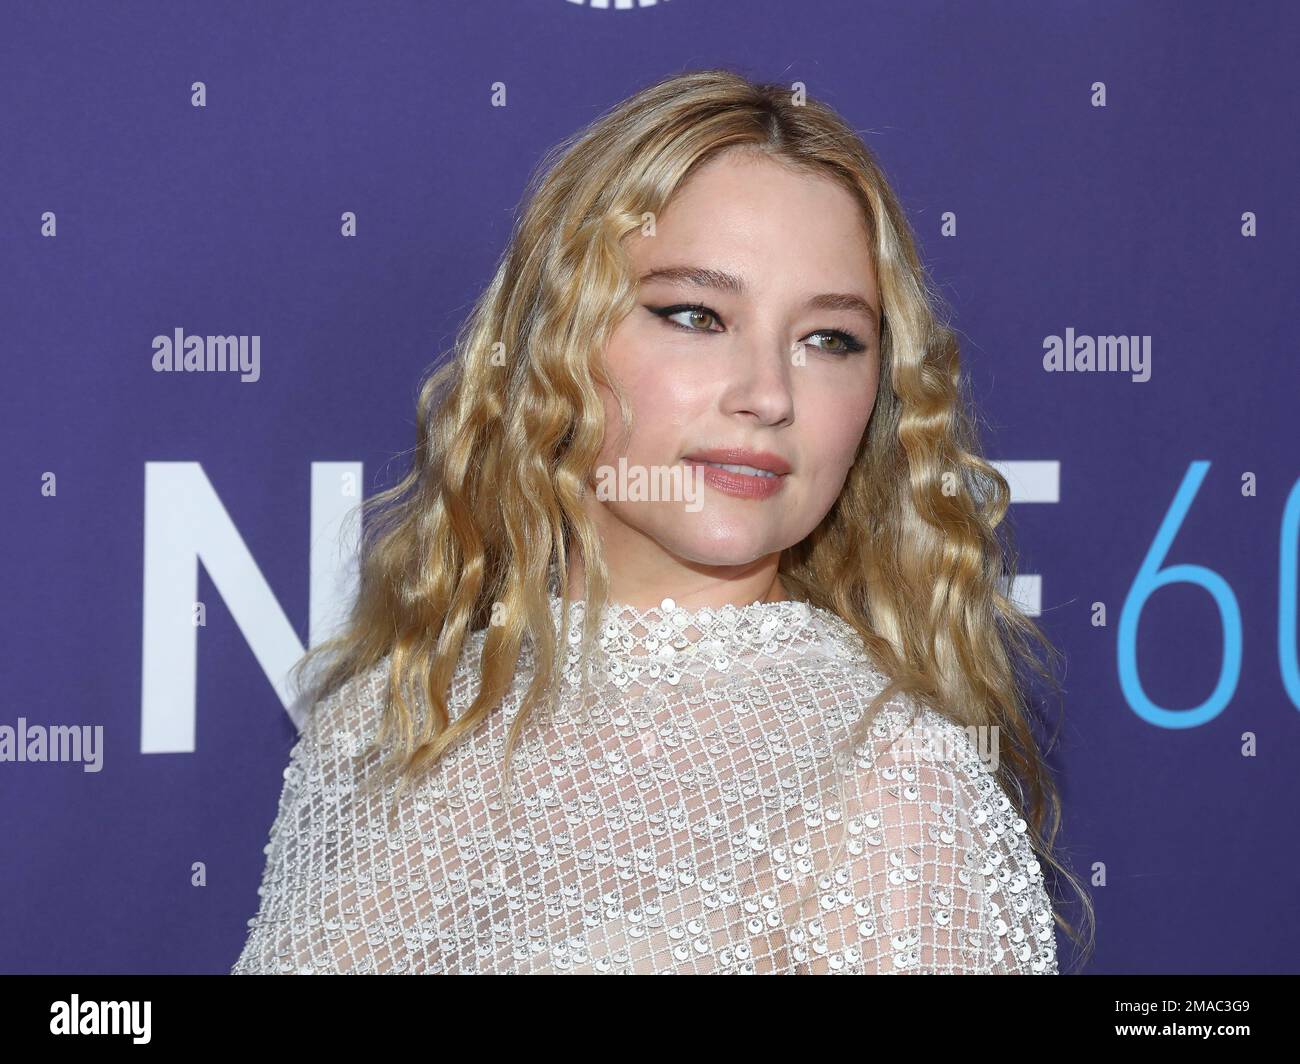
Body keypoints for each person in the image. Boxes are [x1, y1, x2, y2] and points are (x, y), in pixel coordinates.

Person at [231, 68, 1093, 975]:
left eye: (828, 339)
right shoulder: (387, 723)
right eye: (696, 315)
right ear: (555, 341)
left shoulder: (898, 785)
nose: (767, 395)